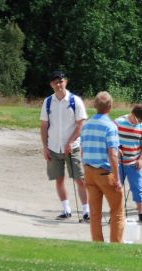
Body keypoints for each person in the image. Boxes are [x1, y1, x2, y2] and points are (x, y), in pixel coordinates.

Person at [40, 70, 90, 221]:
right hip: (54, 146)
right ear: (51, 85)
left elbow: (81, 124)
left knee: (79, 179)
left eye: (61, 81)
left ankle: (86, 211)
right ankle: (66, 209)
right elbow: (44, 125)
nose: (59, 84)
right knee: (59, 179)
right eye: (55, 82)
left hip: (72, 147)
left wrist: (70, 142)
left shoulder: (75, 101)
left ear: (65, 82)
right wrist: (45, 146)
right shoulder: (48, 102)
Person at [80, 92, 124, 243]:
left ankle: (97, 244)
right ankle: (116, 245)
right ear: (110, 107)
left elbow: (83, 149)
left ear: (95, 106)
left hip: (89, 171)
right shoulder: (110, 126)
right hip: (105, 173)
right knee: (117, 211)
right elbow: (112, 155)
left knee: (95, 213)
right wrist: (118, 178)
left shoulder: (86, 125)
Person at [116, 104, 142, 224]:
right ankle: (117, 213)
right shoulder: (118, 122)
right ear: (134, 115)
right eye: (140, 119)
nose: (141, 121)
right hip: (118, 163)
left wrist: (141, 159)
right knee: (117, 188)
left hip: (133, 163)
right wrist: (116, 148)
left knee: (138, 188)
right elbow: (110, 139)